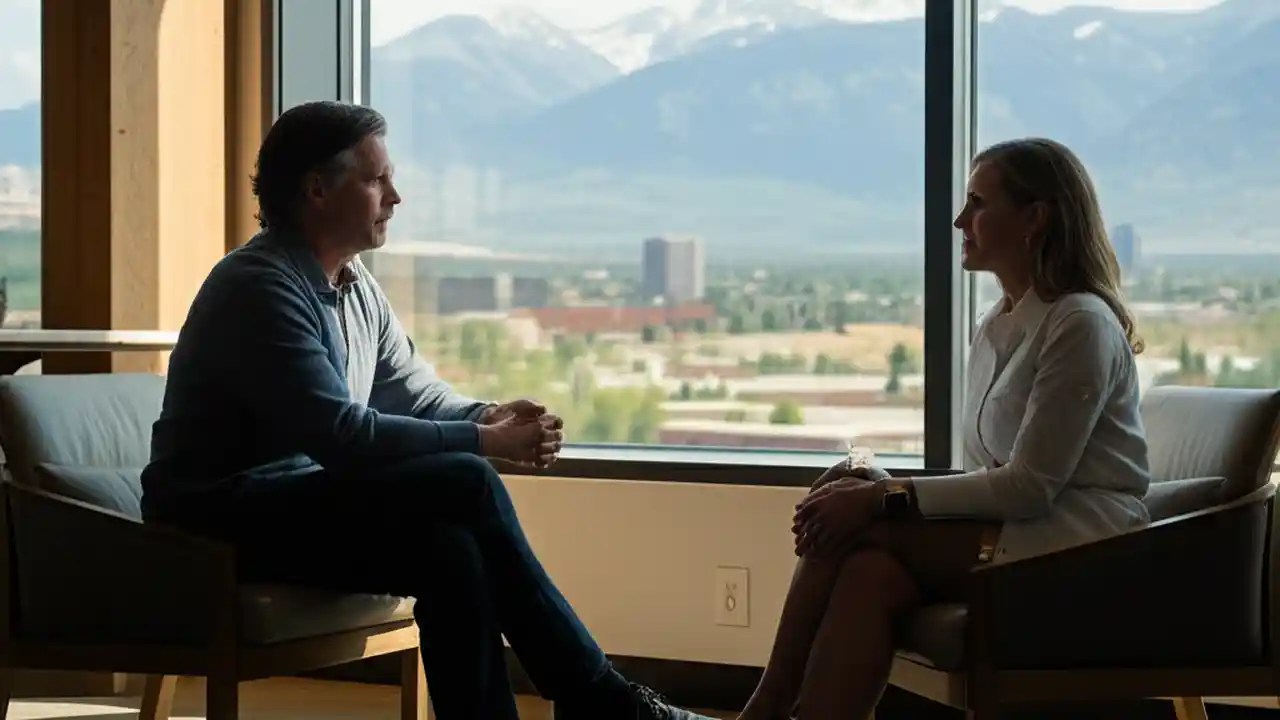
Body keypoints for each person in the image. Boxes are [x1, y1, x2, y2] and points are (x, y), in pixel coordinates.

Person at [140, 100, 713, 720]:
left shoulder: (354, 285)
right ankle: (600, 699)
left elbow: (412, 393)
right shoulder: (259, 288)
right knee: (466, 478)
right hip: (219, 520)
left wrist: (489, 417)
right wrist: (483, 445)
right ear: (317, 189)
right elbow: (344, 437)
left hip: (293, 502)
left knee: (450, 551)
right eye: (375, 178)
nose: (395, 196)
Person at [737, 137, 1152, 720]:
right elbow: (986, 473)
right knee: (867, 566)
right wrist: (874, 491)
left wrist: (883, 499)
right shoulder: (998, 323)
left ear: (1035, 218)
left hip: (1075, 542)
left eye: (978, 203)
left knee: (863, 521)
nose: (960, 220)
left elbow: (1030, 487)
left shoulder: (1080, 324)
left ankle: (764, 707)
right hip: (1014, 527)